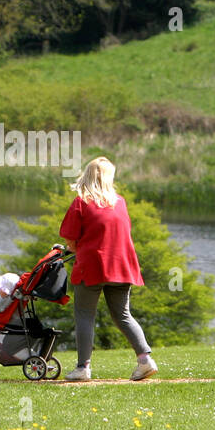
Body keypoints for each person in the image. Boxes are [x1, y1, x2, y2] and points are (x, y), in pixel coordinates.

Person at [58, 157, 156, 381]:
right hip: (122, 266)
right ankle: (145, 360)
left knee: (85, 315)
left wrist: (76, 247)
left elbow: (71, 240)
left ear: (87, 175)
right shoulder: (119, 202)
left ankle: (83, 368)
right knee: (123, 314)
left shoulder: (81, 202)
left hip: (92, 266)